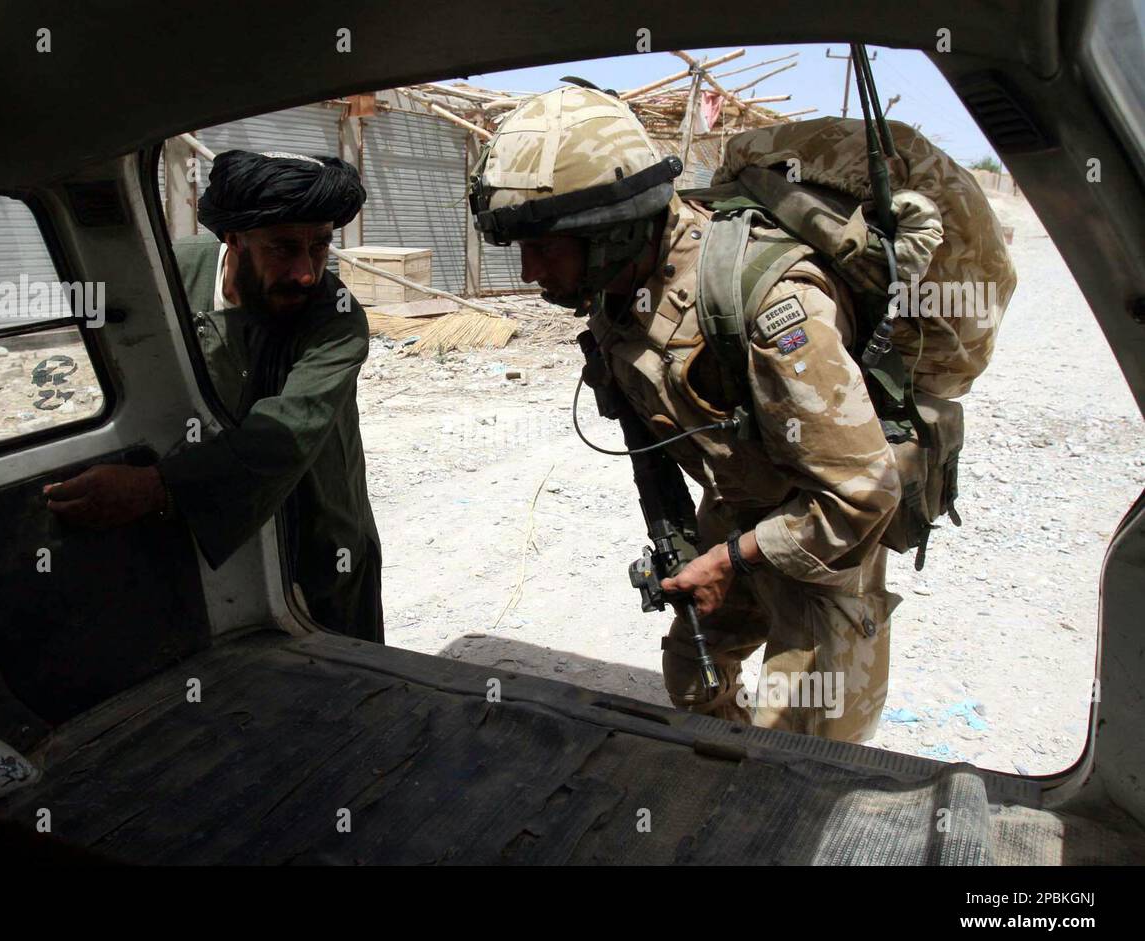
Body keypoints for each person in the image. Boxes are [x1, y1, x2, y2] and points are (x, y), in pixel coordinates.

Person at [469, 87, 902, 741]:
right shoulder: (615, 286)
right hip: (739, 510)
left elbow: (862, 495)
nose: (530, 272)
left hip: (823, 533)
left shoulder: (767, 302)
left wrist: (730, 561)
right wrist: (693, 545)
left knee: (811, 748)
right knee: (694, 678)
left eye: (545, 247)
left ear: (613, 229)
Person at [45, 149, 384, 644]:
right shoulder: (168, 277)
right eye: (284, 248)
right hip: (195, 489)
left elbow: (287, 432)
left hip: (314, 500)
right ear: (234, 238)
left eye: (319, 247)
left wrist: (155, 489)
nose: (307, 272)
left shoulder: (336, 317)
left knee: (336, 649)